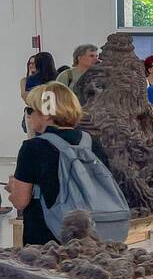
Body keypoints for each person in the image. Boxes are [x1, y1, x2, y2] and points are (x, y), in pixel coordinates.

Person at [4, 82, 112, 245]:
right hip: (87, 236)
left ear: (46, 113)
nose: (28, 115)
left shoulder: (33, 147)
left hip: (45, 240)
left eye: (30, 110)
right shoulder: (90, 143)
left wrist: (13, 188)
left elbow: (20, 201)